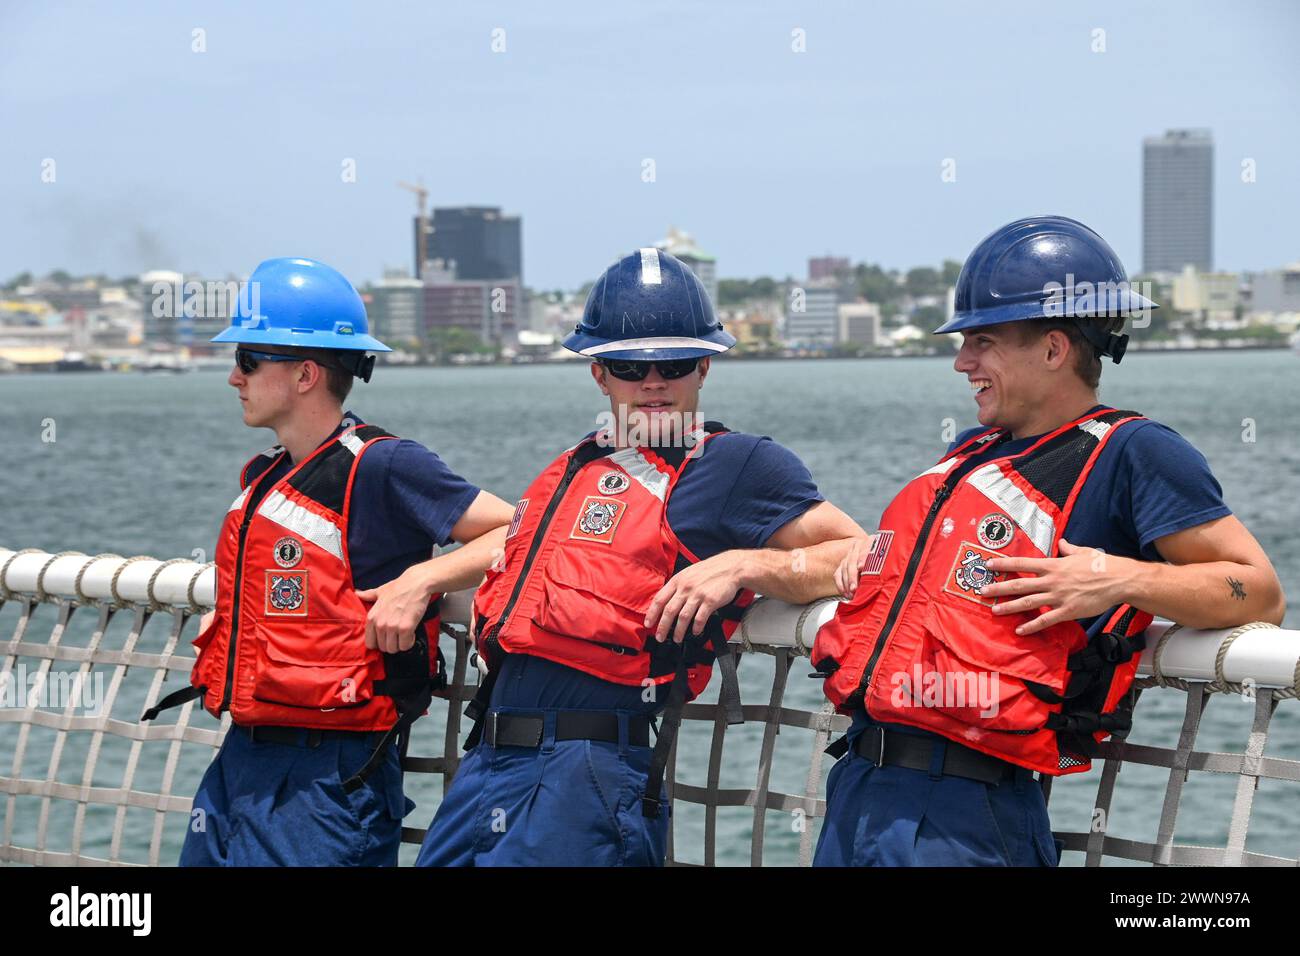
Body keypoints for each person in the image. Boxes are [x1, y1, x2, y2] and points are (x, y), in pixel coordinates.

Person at [811, 216, 1286, 867]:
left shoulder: (1135, 452)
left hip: (964, 811)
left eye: (982, 341)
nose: (962, 361)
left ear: (1055, 349)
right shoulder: (973, 454)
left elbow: (1258, 592)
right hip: (860, 789)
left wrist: (1121, 579)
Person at [415, 247, 865, 866]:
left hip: (587, 768)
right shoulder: (583, 464)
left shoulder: (735, 465)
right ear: (599, 372)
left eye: (674, 363)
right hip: (489, 759)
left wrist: (741, 566)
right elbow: (517, 542)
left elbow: (860, 550)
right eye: (630, 365)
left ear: (704, 366)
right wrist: (420, 579)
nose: (653, 381)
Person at [142, 257, 514, 866]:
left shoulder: (384, 465)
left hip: (331, 775)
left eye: (247, 360)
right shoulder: (266, 475)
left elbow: (517, 531)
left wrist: (422, 579)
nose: (234, 378)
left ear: (306, 373)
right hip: (243, 757)